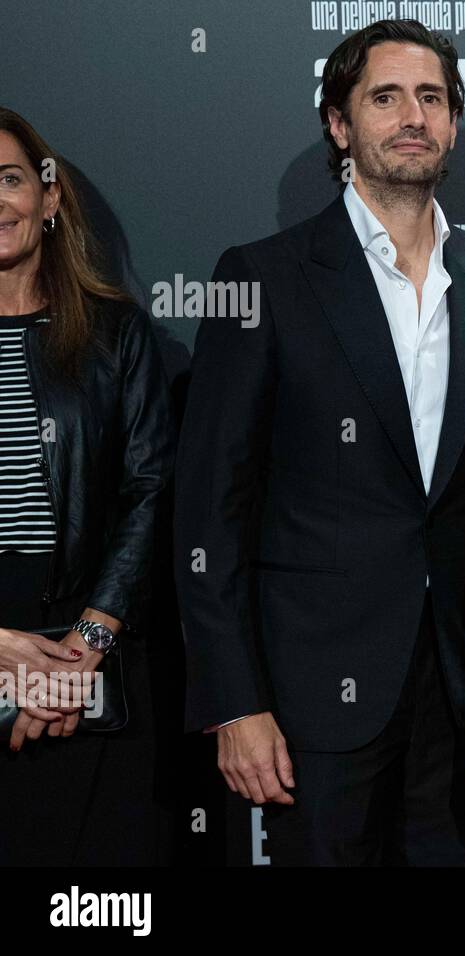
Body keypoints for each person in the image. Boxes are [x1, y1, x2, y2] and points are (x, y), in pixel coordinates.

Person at [174, 20, 465, 866]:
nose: (412, 116)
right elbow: (207, 509)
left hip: (458, 695)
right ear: (339, 123)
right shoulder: (263, 277)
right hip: (308, 702)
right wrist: (234, 702)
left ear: (452, 123)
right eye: (385, 97)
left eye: (432, 98)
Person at [0, 107, 174, 865]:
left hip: (88, 644)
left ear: (49, 199)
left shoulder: (117, 334)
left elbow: (150, 490)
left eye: (8, 179)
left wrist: (83, 650)